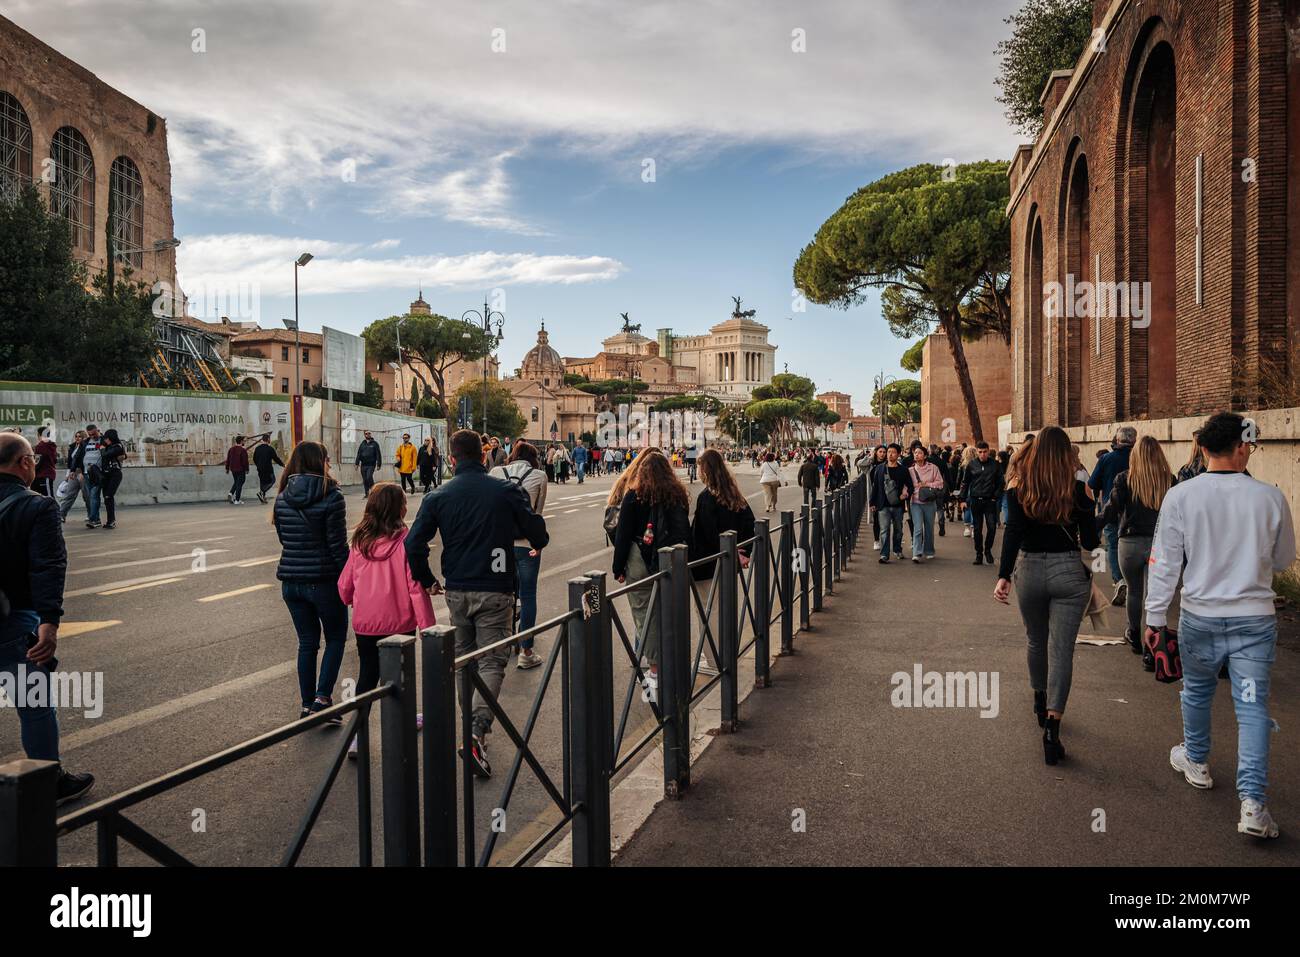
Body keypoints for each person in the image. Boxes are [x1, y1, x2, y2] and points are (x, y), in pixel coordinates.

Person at [1146, 412, 1294, 839]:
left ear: (1204, 449)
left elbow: (1165, 563)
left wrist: (1155, 619)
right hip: (1254, 621)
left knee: (1196, 691)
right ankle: (1252, 804)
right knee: (1251, 708)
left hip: (1200, 618)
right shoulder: (1270, 497)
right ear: (1242, 448)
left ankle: (1196, 760)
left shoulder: (1182, 496)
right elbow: (1283, 559)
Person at [406, 429, 548, 778]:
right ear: (484, 457)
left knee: (464, 661)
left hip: (456, 588)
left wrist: (427, 580)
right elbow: (539, 534)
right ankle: (476, 731)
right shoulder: (505, 491)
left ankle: (471, 728)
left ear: (451, 459)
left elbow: (413, 545)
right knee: (493, 661)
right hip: (496, 586)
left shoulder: (438, 496)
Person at [994, 426, 1100, 766]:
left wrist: (1003, 576)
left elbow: (1013, 532)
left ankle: (1039, 699)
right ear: (1067, 455)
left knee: (1036, 641)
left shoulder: (1019, 488)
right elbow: (1091, 543)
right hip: (1068, 572)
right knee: (1062, 650)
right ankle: (1053, 727)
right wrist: (1092, 508)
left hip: (1029, 570)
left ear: (1035, 452)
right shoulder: (1079, 490)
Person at [0, 433, 96, 804]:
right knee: (34, 705)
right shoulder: (37, 507)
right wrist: (49, 622)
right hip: (14, 620)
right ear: (25, 462)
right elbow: (47, 567)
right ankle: (48, 782)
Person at [337, 482, 435, 758]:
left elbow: (345, 582)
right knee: (400, 678)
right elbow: (415, 587)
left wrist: (347, 599)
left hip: (366, 623)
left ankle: (358, 736)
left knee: (367, 676)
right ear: (399, 508)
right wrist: (427, 625)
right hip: (400, 623)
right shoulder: (406, 541)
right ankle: (402, 724)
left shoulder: (359, 541)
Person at [273, 441, 350, 723]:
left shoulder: (282, 497)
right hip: (323, 580)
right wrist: (351, 580)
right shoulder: (332, 496)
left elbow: (284, 540)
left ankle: (307, 704)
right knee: (336, 638)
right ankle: (322, 700)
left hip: (291, 582)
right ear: (321, 462)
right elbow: (338, 547)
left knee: (307, 642)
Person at [611, 448, 690, 702]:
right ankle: (673, 664)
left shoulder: (634, 496)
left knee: (645, 615)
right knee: (669, 610)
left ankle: (655, 673)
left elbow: (622, 535)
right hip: (673, 560)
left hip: (640, 561)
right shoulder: (677, 494)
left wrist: (617, 568)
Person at [1097, 435, 1175, 668]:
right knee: (1155, 596)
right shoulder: (1169, 481)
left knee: (1134, 591)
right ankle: (1154, 647)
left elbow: (1111, 509)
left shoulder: (1125, 479)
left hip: (1129, 542)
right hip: (1159, 544)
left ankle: (1133, 632)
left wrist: (1091, 529)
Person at [491, 441, 548, 670]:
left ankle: (499, 644)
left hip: (498, 545)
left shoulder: (495, 472)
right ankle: (526, 651)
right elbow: (537, 512)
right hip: (527, 545)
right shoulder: (539, 476)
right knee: (528, 594)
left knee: (499, 592)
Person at [1089, 426, 1136, 605]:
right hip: (1135, 511)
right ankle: (1133, 581)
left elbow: (1093, 483)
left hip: (1111, 508)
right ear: (1134, 440)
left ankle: (1119, 580)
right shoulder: (1139, 458)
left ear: (1117, 440)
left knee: (1114, 546)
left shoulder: (1106, 459)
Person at [960, 442, 1004, 566]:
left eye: (985, 452)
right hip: (975, 500)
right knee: (977, 529)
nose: (982, 454)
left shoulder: (995, 465)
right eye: (980, 452)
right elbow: (965, 482)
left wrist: (996, 496)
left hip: (990, 501)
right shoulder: (971, 465)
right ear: (977, 452)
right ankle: (979, 554)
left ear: (988, 451)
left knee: (991, 527)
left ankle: (988, 550)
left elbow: (1001, 482)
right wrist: (962, 499)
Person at [870, 444, 913, 564]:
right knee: (884, 530)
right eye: (889, 452)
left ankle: (897, 549)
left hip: (898, 505)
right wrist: (872, 502)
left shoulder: (903, 470)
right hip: (883, 505)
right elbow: (876, 487)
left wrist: (905, 495)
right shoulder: (879, 469)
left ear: (898, 454)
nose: (890, 454)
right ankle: (884, 554)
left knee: (898, 530)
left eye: (893, 452)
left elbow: (910, 486)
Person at [907, 445, 944, 563]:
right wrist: (904, 496)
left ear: (925, 455)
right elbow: (906, 486)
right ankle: (917, 553)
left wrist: (927, 484)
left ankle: (929, 550)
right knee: (917, 528)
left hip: (929, 502)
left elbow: (940, 484)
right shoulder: (910, 470)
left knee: (929, 528)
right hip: (916, 502)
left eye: (919, 453)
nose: (916, 454)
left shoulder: (933, 468)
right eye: (915, 453)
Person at [70, 424, 104, 527]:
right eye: (90, 435)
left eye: (94, 434)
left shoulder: (103, 441)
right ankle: (96, 519)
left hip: (98, 473)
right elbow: (77, 456)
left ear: (98, 430)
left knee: (94, 495)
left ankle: (93, 519)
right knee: (91, 497)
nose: (92, 436)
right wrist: (73, 470)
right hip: (86, 473)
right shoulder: (85, 442)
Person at [56, 429, 87, 523]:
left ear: (84, 437)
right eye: (76, 436)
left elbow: (85, 461)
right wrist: (68, 474)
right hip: (73, 473)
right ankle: (62, 515)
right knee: (69, 495)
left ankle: (91, 515)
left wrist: (83, 472)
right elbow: (70, 463)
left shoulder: (85, 447)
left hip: (83, 473)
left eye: (80, 436)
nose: (77, 438)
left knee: (87, 496)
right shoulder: (72, 447)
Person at [97, 429, 125, 529]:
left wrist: (102, 448)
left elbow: (105, 454)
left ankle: (111, 521)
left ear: (112, 438)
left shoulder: (118, 447)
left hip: (115, 474)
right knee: (106, 498)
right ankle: (110, 521)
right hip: (106, 474)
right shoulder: (107, 446)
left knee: (109, 496)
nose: (106, 440)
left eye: (107, 438)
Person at [252, 433, 284, 504]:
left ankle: (263, 498)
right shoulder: (270, 449)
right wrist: (283, 464)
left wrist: (258, 465)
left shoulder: (257, 448)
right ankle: (262, 492)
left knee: (262, 483)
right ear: (268, 439)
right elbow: (276, 459)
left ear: (262, 439)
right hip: (268, 469)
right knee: (272, 480)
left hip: (260, 469)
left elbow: (254, 459)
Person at [865, 445, 887, 549]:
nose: (882, 454)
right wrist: (869, 456)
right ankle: (876, 540)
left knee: (887, 519)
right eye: (880, 452)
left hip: (887, 494)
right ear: (876, 453)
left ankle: (885, 540)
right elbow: (859, 463)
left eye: (884, 452)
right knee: (876, 519)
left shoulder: (888, 463)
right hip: (875, 494)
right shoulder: (871, 465)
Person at [31, 427, 57, 497]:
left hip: (43, 475)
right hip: (48, 474)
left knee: (48, 497)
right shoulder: (52, 446)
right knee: (46, 497)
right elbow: (55, 460)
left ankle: (53, 508)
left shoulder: (40, 446)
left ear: (39, 435)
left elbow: (37, 462)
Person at [355, 430, 382, 495]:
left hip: (371, 465)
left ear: (371, 434)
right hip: (363, 464)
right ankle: (367, 494)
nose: (368, 435)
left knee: (369, 477)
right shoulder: (362, 444)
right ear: (365, 435)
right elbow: (359, 454)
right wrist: (357, 463)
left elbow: (378, 454)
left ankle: (373, 491)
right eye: (366, 434)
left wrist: (379, 464)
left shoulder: (375, 443)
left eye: (369, 433)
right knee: (365, 480)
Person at [225, 435, 249, 505]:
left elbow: (228, 460)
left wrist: (227, 468)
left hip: (233, 469)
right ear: (241, 441)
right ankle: (237, 500)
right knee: (240, 483)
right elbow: (245, 461)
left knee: (236, 482)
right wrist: (247, 469)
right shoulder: (243, 450)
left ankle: (231, 493)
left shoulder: (231, 449)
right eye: (243, 441)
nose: (244, 442)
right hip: (240, 469)